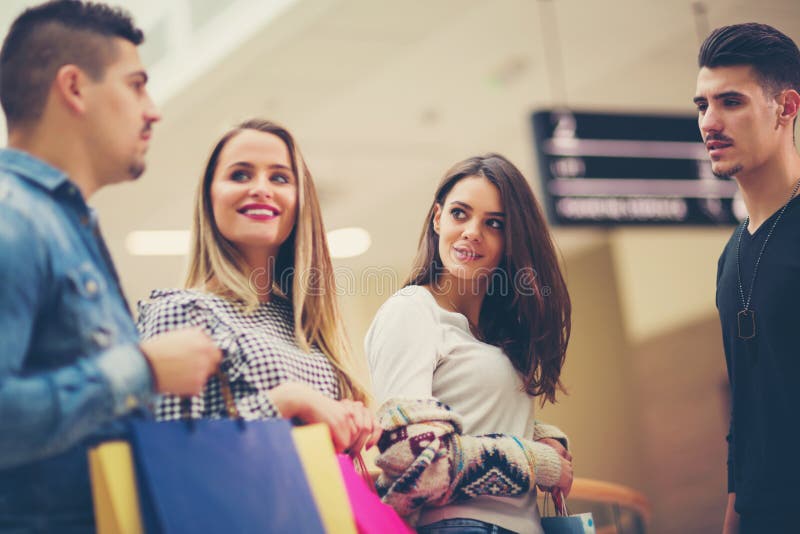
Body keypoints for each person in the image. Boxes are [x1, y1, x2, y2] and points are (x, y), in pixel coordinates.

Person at [0, 1, 222, 531]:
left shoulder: (65, 225)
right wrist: (141, 370)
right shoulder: (14, 218)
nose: (153, 109)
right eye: (136, 84)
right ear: (74, 87)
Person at [137, 119, 380, 455]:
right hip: (234, 508)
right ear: (209, 198)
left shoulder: (305, 328)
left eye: (279, 177)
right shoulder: (182, 312)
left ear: (300, 202)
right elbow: (169, 455)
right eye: (240, 174)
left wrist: (348, 422)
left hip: (314, 506)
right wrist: (287, 402)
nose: (261, 188)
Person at [366, 154, 573, 534]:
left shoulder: (490, 330)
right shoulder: (411, 312)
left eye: (494, 223)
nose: (472, 231)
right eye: (460, 214)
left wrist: (538, 434)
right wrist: (536, 460)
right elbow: (411, 459)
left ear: (511, 240)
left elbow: (469, 415)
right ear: (437, 218)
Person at [695, 23, 800, 533]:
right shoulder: (731, 256)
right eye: (702, 105)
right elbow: (746, 411)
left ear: (786, 107)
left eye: (731, 101)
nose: (710, 122)